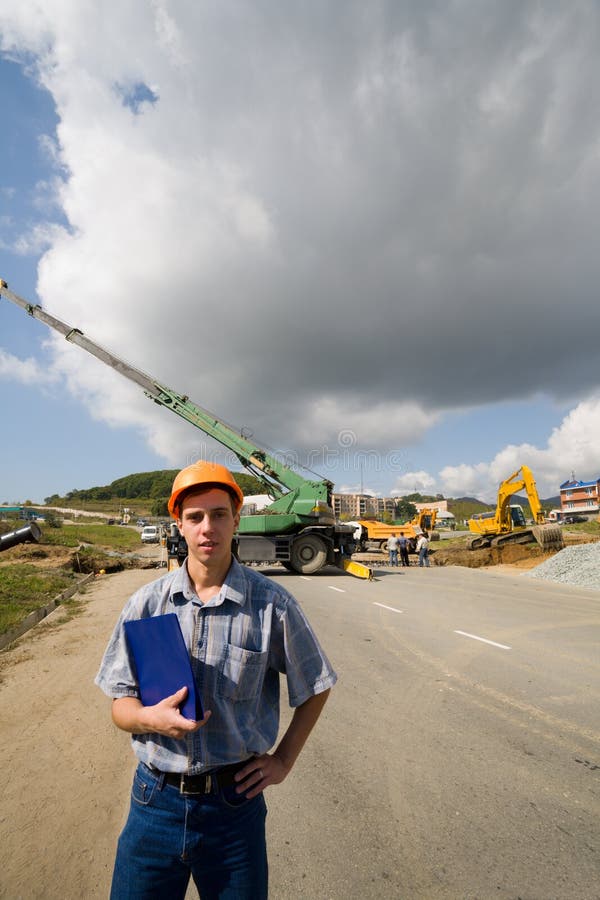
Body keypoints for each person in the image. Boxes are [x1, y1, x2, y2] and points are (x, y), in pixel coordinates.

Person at [95, 460, 337, 900]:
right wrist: (150, 719)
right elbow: (119, 706)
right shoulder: (146, 605)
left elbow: (317, 684)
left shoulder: (271, 604)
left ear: (237, 519)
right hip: (154, 804)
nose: (208, 527)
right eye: (195, 517)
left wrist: (283, 760)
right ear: (180, 525)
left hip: (233, 812)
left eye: (219, 514)